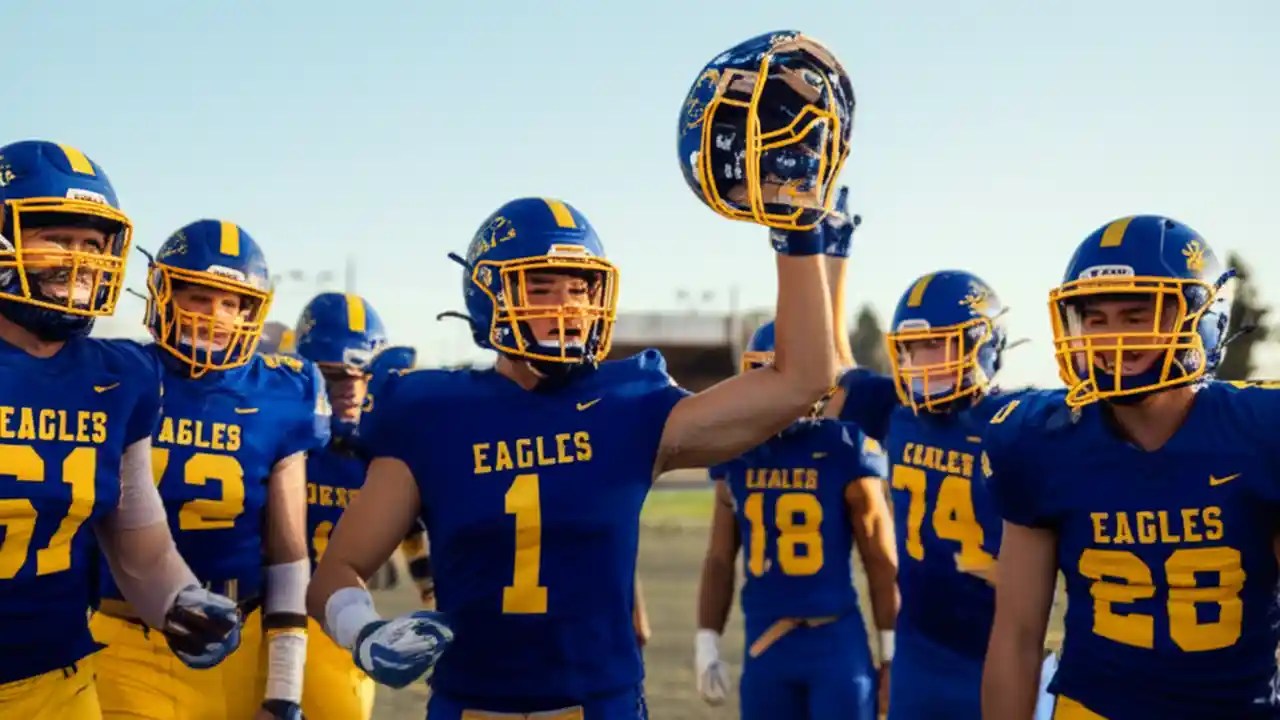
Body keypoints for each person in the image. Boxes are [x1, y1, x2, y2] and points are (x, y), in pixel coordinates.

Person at [307, 29, 854, 719]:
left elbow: (804, 378)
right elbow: (338, 567)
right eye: (544, 286)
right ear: (490, 295)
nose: (569, 305)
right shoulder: (431, 411)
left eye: (581, 288)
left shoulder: (631, 403)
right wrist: (364, 630)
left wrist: (797, 232)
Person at [981, 215, 1280, 719]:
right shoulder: (1040, 440)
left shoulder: (1258, 434)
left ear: (1202, 319)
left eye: (1136, 315)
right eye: (1094, 319)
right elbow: (1017, 634)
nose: (1111, 336)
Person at [0, 140, 240, 718]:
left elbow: (140, 546)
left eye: (93, 244)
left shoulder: (119, 376)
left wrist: (182, 602)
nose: (80, 261)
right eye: (57, 238)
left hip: (59, 683)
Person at [90, 219, 329, 720]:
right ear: (163, 294)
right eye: (199, 296)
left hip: (237, 638)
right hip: (125, 636)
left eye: (232, 303)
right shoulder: (117, 372)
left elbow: (287, 553)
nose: (216, 316)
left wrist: (285, 685)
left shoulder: (282, 393)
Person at [820, 266, 1033, 719]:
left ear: (985, 343)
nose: (922, 362)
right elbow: (831, 374)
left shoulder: (1019, 421)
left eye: (937, 344)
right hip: (920, 650)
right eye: (912, 349)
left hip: (998, 654)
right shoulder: (897, 411)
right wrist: (832, 257)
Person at [695, 318, 898, 719]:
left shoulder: (846, 447)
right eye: (771, 375)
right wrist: (707, 639)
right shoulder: (736, 450)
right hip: (766, 646)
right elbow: (720, 557)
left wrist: (891, 654)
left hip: (834, 643)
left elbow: (881, 560)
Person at [294, 292, 416, 720]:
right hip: (273, 614)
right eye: (335, 376)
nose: (351, 390)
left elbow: (417, 533)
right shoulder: (288, 440)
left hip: (339, 623)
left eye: (361, 377)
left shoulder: (383, 450)